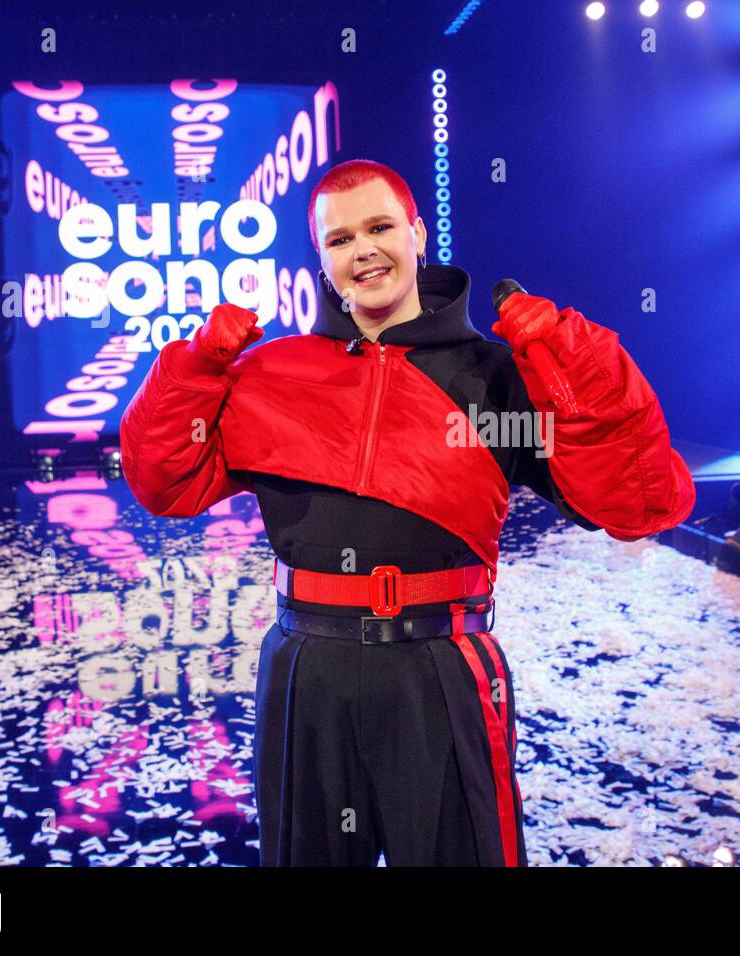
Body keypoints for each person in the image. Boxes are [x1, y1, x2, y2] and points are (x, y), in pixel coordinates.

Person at [120, 159, 696, 866]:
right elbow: (163, 482)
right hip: (308, 672)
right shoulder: (274, 375)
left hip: (441, 671)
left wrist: (581, 370)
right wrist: (195, 369)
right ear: (322, 260)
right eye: (338, 240)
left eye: (380, 226)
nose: (361, 249)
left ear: (417, 233)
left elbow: (637, 505)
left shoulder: (494, 376)